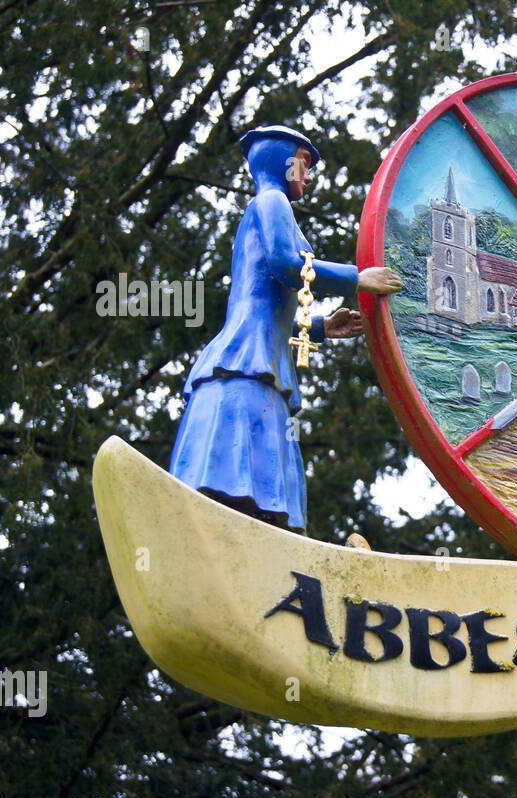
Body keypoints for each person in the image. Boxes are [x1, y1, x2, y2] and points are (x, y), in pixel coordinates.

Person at [169, 125, 401, 532]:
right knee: (237, 488)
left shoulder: (270, 206)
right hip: (246, 365)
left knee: (253, 489)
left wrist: (322, 327)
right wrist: (357, 278)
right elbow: (284, 264)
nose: (308, 175)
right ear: (281, 160)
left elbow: (271, 305)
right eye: (304, 163)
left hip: (258, 364)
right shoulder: (272, 200)